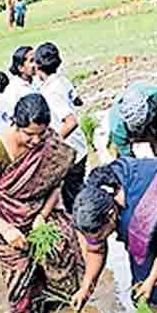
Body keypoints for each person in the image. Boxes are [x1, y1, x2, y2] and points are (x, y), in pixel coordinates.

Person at [0, 94, 82, 313]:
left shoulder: (48, 141)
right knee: (21, 271)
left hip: (41, 211)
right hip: (4, 220)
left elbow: (55, 186)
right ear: (16, 124)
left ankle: (62, 304)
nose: (35, 141)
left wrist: (41, 216)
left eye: (41, 134)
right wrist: (7, 229)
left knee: (64, 242)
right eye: (29, 134)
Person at [70, 160, 157, 313]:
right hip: (144, 211)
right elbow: (95, 250)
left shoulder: (140, 213)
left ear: (111, 215)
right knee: (143, 267)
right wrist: (85, 288)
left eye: (101, 235)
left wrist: (152, 278)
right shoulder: (91, 205)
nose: (98, 239)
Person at [33, 43, 88, 211]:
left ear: (37, 66)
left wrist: (52, 141)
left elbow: (71, 121)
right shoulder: (62, 80)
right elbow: (77, 100)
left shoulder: (51, 92)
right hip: (80, 146)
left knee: (73, 199)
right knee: (78, 190)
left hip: (70, 151)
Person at [108, 82, 157, 158]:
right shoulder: (117, 128)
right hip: (123, 131)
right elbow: (128, 158)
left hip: (151, 116)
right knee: (118, 153)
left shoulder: (156, 96)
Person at [4, 45, 37, 110]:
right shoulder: (13, 90)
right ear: (21, 68)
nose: (35, 64)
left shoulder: (38, 80)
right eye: (31, 61)